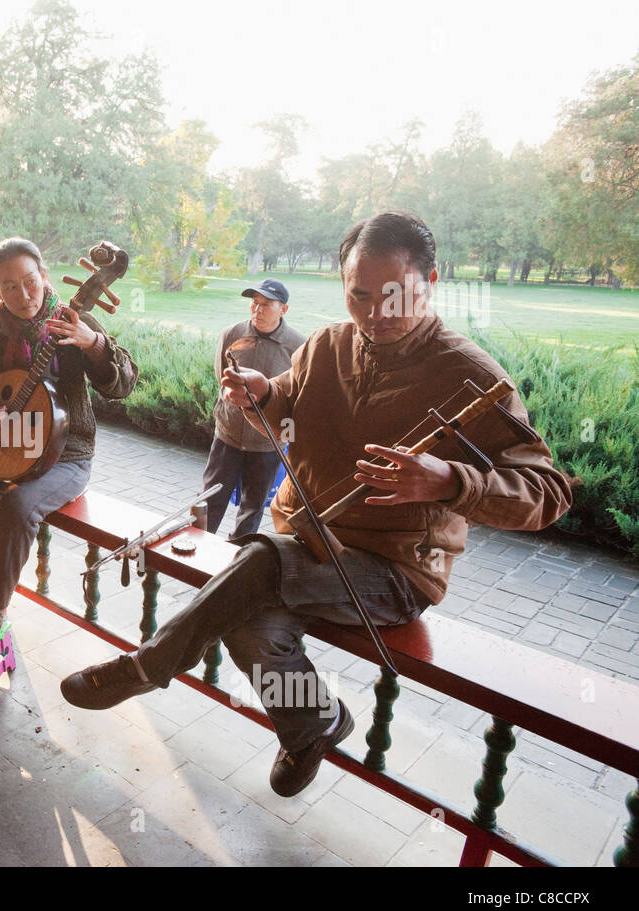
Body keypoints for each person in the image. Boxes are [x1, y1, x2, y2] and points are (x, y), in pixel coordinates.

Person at [60, 212, 574, 798]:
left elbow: (547, 495)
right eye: (359, 295)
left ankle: (147, 666)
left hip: (394, 569)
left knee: (257, 561)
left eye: (393, 295)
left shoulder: (472, 375)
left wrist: (450, 482)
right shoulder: (329, 344)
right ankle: (315, 724)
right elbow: (289, 403)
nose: (375, 313)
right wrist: (264, 394)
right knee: (249, 627)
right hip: (307, 542)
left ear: (430, 281)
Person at [0, 237, 139, 642]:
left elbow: (124, 384)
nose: (24, 295)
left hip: (66, 455)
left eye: (30, 281)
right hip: (4, 446)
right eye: (10, 286)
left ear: (45, 276)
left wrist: (93, 343)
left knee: (17, 507)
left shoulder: (74, 322)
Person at [200, 278, 306, 539]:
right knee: (210, 500)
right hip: (227, 437)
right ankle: (197, 549)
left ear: (284, 309)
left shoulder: (298, 346)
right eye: (254, 303)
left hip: (267, 444)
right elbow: (221, 377)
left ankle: (239, 556)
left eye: (266, 304)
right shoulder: (232, 334)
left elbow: (297, 395)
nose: (257, 309)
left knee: (252, 507)